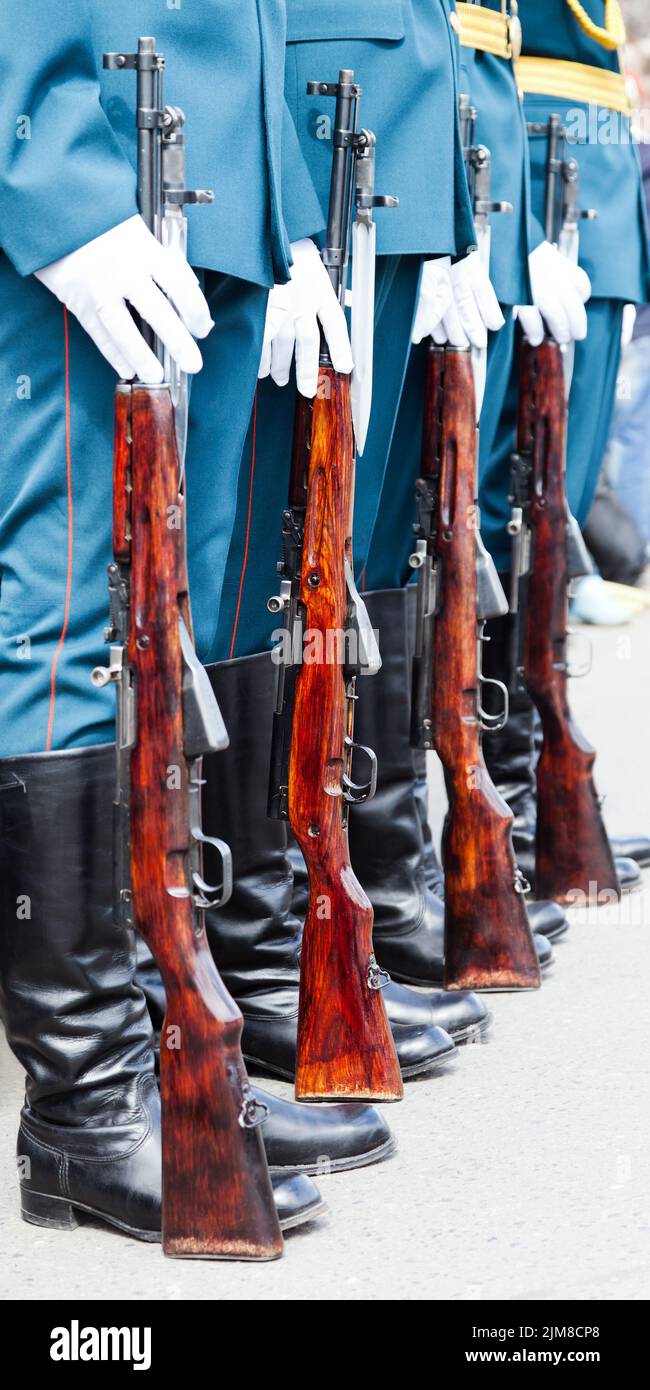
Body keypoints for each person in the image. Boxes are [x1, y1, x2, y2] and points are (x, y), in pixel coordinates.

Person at [0, 0, 400, 1246]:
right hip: (95, 151)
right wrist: (47, 163)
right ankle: (82, 1101)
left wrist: (282, 209)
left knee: (173, 616)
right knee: (70, 616)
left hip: (214, 169)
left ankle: (170, 1044)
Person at [209, 0, 560, 1002]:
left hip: (393, 123)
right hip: (308, 119)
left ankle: (349, 887)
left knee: (371, 554)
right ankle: (255, 944)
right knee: (264, 577)